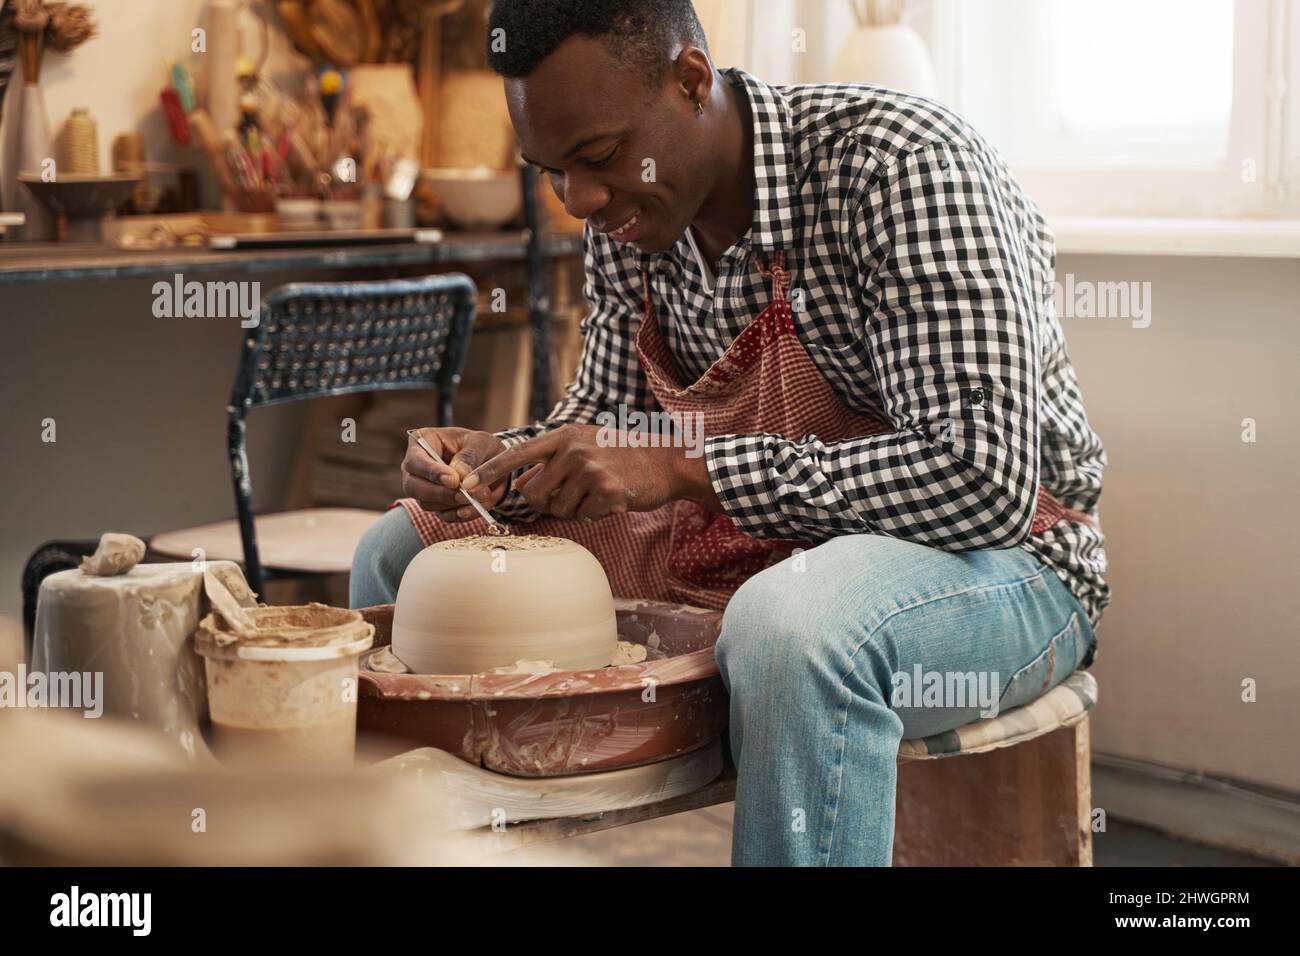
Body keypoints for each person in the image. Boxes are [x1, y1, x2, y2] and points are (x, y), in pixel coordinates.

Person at [351, 0, 1109, 866]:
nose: (579, 200)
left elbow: (983, 481)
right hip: (742, 545)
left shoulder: (902, 166)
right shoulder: (629, 210)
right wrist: (508, 463)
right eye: (549, 171)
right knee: (404, 559)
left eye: (595, 158)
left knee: (789, 633)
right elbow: (607, 421)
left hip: (1006, 560)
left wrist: (679, 463)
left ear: (691, 81)